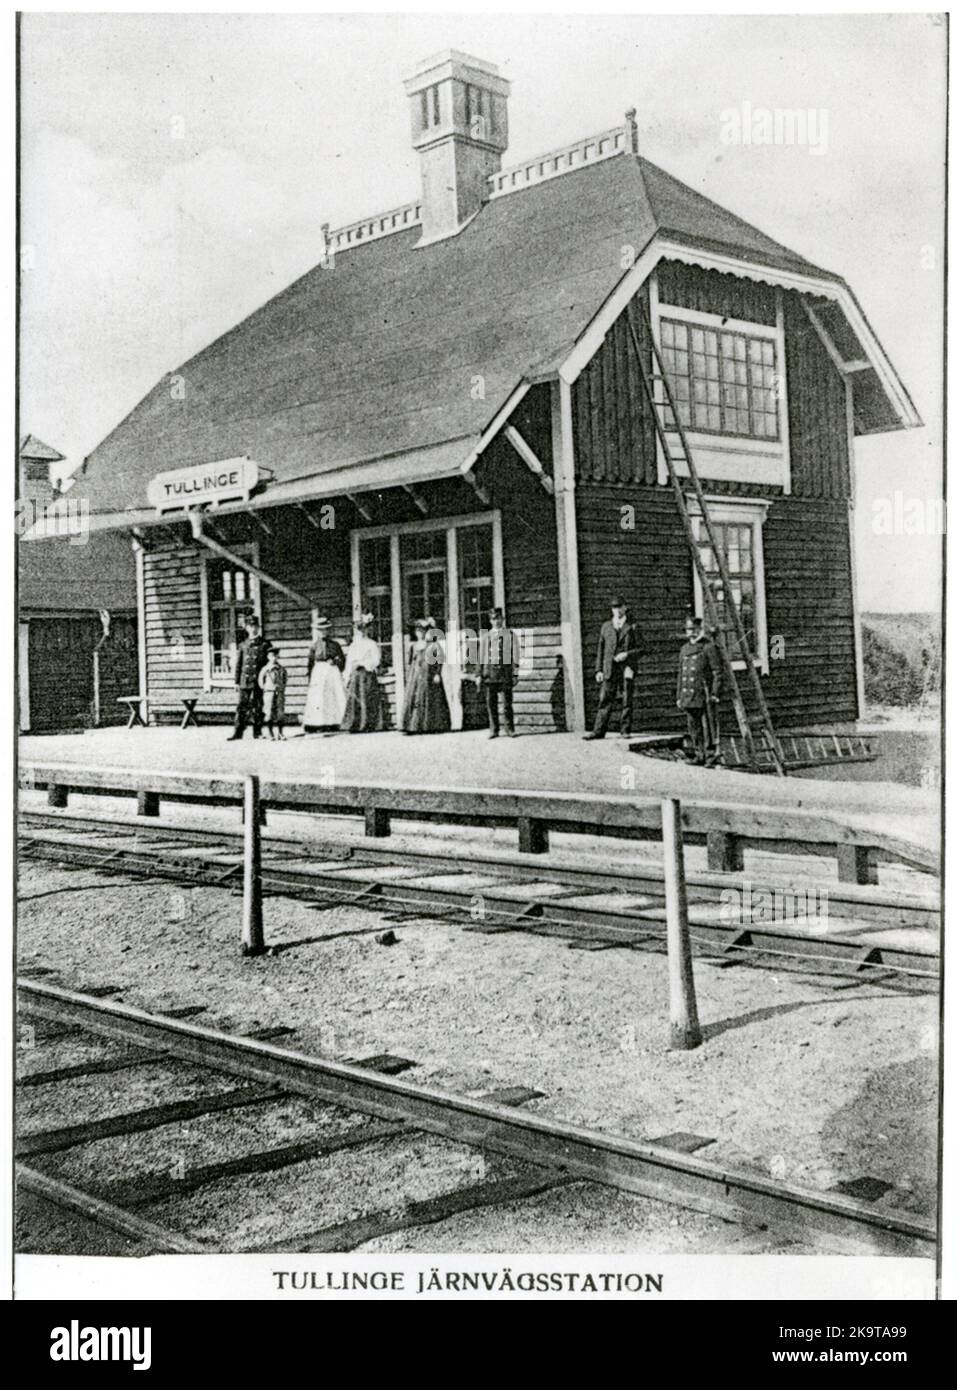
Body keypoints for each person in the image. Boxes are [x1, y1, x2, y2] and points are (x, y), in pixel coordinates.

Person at [582, 595, 642, 740]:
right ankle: (598, 731)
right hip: (609, 669)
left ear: (625, 608)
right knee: (605, 699)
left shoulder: (633, 627)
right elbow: (601, 650)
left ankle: (625, 730)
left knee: (626, 700)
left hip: (627, 668)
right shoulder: (606, 627)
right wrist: (599, 670)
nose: (617, 610)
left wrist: (627, 654)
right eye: (614, 608)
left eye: (619, 607)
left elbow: (642, 648)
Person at [676, 615, 723, 765]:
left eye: (693, 629)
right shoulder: (684, 649)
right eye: (688, 629)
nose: (691, 632)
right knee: (693, 726)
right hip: (688, 694)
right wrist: (679, 696)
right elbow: (681, 674)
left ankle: (710, 755)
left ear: (699, 630)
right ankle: (699, 754)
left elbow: (717, 672)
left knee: (707, 725)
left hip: (703, 693)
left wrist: (715, 693)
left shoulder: (708, 647)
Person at [402, 617, 451, 734]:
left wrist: (437, 674)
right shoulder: (413, 646)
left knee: (430, 698)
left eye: (422, 631)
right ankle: (414, 726)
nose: (420, 633)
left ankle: (431, 725)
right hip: (416, 676)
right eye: (417, 631)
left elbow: (439, 661)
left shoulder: (433, 645)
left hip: (429, 674)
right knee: (415, 698)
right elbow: (410, 662)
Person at [227, 614, 272, 740]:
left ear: (259, 627)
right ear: (246, 628)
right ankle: (238, 732)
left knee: (258, 706)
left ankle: (257, 732)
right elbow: (239, 664)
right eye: (250, 626)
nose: (253, 629)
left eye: (255, 626)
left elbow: (269, 665)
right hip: (244, 680)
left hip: (258, 681)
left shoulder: (265, 644)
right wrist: (236, 682)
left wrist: (267, 681)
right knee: (241, 707)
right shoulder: (243, 645)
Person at [341, 612, 385, 733]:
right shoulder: (354, 645)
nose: (362, 632)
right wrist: (347, 676)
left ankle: (368, 724)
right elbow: (349, 662)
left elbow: (376, 660)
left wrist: (363, 663)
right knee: (355, 699)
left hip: (367, 674)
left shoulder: (371, 644)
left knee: (367, 698)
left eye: (364, 629)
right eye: (359, 629)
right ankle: (355, 724)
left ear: (368, 630)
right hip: (356, 675)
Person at [478, 607, 519, 738]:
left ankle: (509, 729)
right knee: (491, 704)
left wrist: (515, 674)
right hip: (489, 674)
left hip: (505, 673)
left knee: (507, 703)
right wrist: (479, 674)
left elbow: (516, 655)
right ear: (490, 621)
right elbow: (481, 656)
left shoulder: (510, 635)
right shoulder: (486, 636)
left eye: (499, 618)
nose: (497, 621)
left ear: (503, 619)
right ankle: (494, 730)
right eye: (494, 619)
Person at [302, 615, 346, 732]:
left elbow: (342, 660)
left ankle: (334, 722)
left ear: (328, 630)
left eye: (325, 630)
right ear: (317, 631)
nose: (323, 632)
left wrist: (335, 661)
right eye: (320, 630)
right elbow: (310, 663)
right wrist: (310, 678)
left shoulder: (335, 645)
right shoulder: (314, 646)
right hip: (319, 673)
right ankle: (318, 723)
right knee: (319, 697)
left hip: (332, 672)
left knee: (332, 696)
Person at [258, 647, 288, 740]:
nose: (274, 658)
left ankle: (280, 733)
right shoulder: (265, 669)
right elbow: (260, 680)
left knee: (280, 712)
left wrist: (281, 688)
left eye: (276, 656)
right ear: (268, 657)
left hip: (279, 692)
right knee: (269, 712)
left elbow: (285, 679)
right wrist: (265, 688)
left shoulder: (281, 669)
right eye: (272, 656)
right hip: (269, 692)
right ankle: (270, 733)